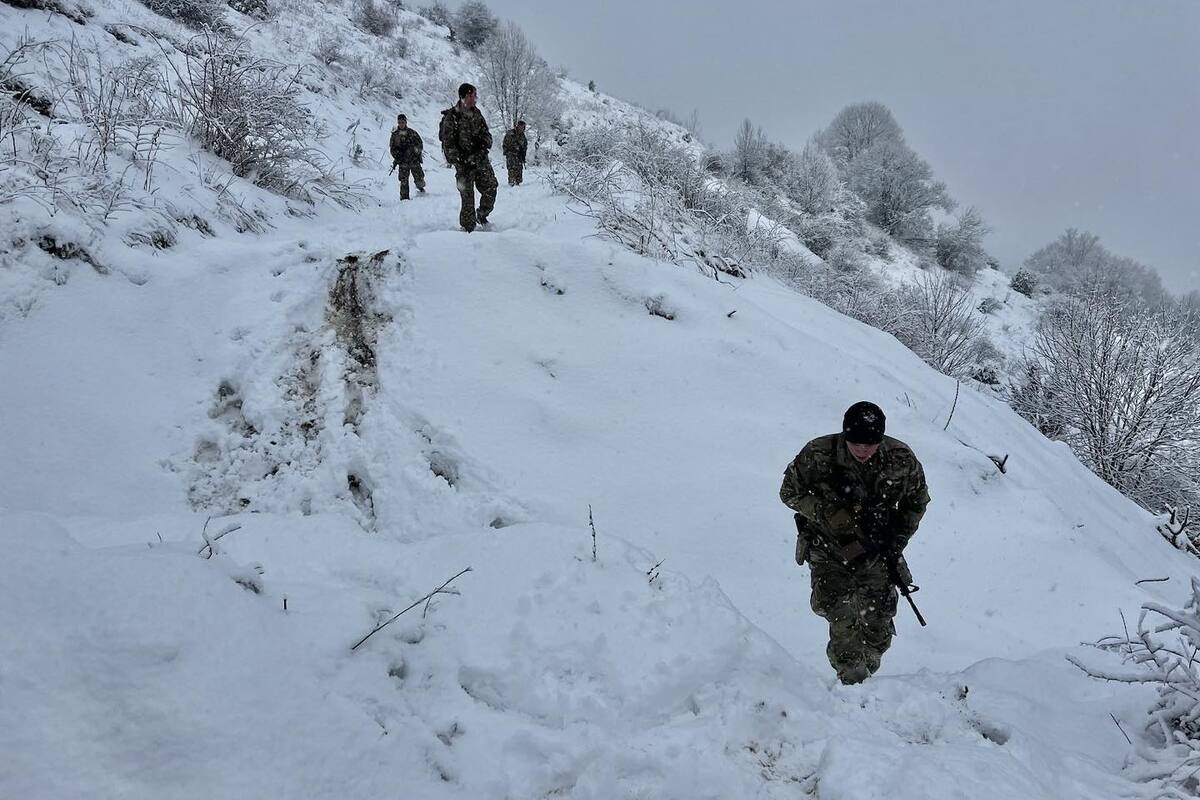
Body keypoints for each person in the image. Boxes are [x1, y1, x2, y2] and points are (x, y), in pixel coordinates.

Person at [779, 401, 930, 685]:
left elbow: (916, 501)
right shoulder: (818, 454)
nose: (862, 450)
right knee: (841, 614)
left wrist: (896, 541)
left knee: (877, 624)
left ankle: (867, 675)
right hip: (828, 548)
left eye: (870, 444)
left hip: (876, 550)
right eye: (856, 443)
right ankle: (852, 682)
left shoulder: (900, 459)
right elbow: (789, 492)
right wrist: (827, 513)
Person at [438, 83, 497, 232]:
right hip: (464, 166)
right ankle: (468, 231)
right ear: (463, 97)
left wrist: (483, 144)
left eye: (475, 95)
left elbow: (488, 136)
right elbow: (448, 146)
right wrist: (462, 159)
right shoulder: (452, 117)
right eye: (471, 96)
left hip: (480, 161)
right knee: (467, 199)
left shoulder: (477, 114)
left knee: (491, 188)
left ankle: (482, 215)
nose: (474, 99)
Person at [388, 114, 425, 200]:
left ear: (406, 122)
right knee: (403, 180)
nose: (401, 124)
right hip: (403, 161)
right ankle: (404, 198)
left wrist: (414, 151)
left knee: (419, 176)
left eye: (403, 122)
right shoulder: (395, 135)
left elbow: (420, 144)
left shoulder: (412, 133)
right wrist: (398, 155)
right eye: (399, 122)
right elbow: (392, 148)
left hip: (413, 160)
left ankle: (421, 190)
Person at [502, 120, 528, 186]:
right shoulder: (510, 133)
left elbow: (525, 145)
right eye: (521, 126)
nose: (522, 128)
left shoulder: (523, 136)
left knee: (519, 169)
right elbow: (505, 144)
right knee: (511, 169)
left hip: (519, 155)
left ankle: (518, 183)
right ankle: (512, 183)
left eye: (523, 127)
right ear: (518, 126)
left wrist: (523, 154)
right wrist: (509, 151)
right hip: (511, 154)